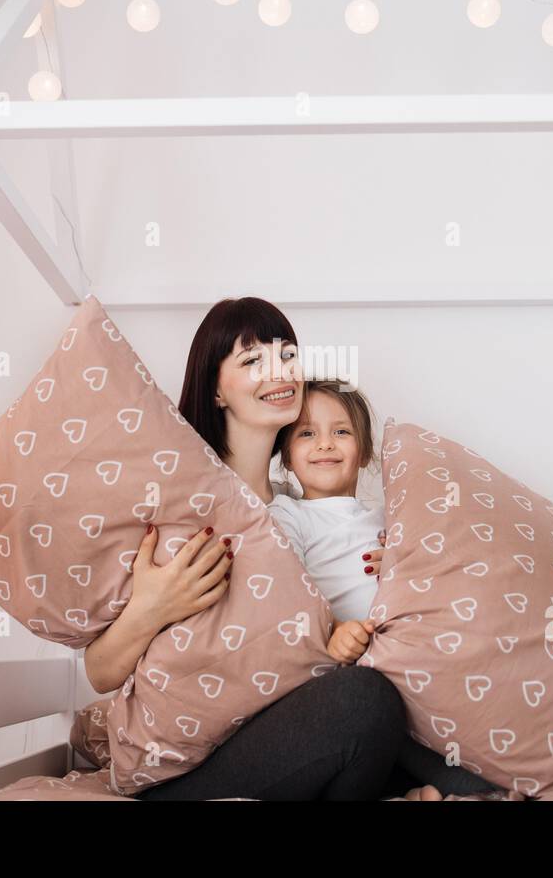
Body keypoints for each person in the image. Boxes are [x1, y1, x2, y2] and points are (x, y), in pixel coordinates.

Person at [82, 298, 424, 800]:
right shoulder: (182, 500)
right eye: (251, 361)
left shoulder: (300, 512)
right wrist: (152, 608)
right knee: (364, 702)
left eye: (287, 355)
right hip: (190, 767)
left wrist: (397, 564)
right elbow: (99, 672)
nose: (279, 371)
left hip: (279, 733)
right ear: (216, 391)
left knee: (410, 710)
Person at [268, 378, 496, 799]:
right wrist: (334, 628)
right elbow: (284, 587)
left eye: (341, 431)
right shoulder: (290, 514)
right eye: (306, 433)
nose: (325, 444)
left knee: (459, 754)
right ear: (284, 456)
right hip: (346, 666)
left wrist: (403, 554)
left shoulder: (388, 515)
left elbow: (432, 567)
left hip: (408, 660)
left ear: (366, 451)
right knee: (391, 728)